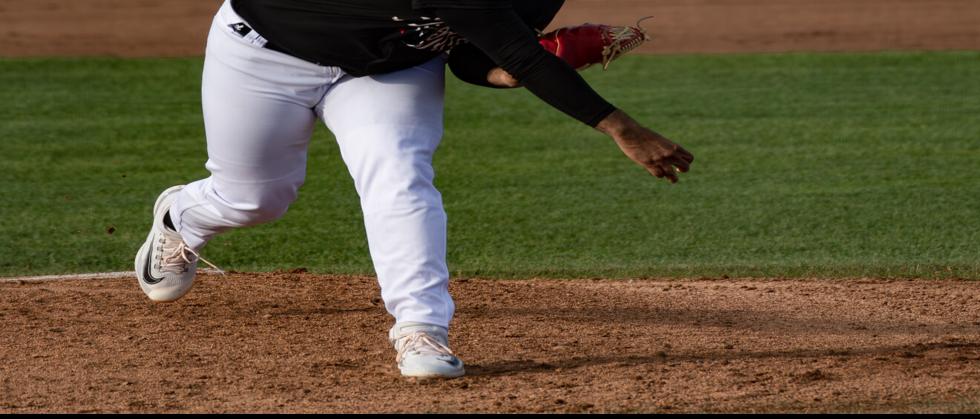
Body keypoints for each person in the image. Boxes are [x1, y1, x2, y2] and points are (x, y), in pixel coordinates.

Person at [135, 0, 693, 379]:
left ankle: (422, 330)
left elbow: (467, 49)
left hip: (389, 72)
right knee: (257, 198)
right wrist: (622, 128)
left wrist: (505, 71)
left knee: (400, 174)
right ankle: (184, 217)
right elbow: (511, 44)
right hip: (265, 53)